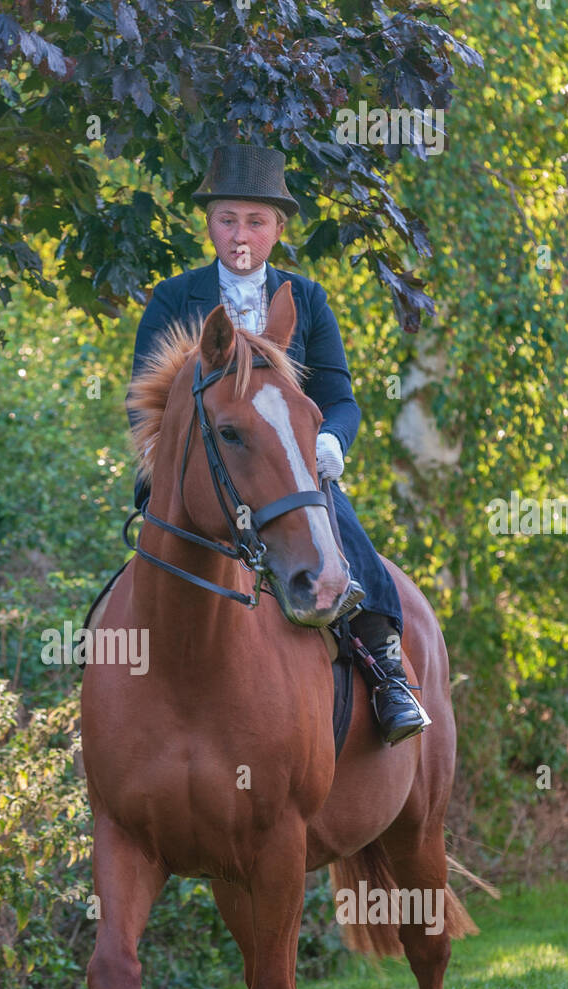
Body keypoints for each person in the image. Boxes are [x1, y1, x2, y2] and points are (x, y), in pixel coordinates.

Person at [126, 143, 427, 745]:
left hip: (288, 469)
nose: (241, 234)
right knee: (138, 566)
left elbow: (340, 399)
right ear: (210, 223)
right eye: (228, 219)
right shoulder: (172, 298)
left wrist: (332, 444)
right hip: (192, 471)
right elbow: (144, 402)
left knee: (343, 531)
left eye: (255, 221)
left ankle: (386, 668)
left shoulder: (307, 300)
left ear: (277, 229)